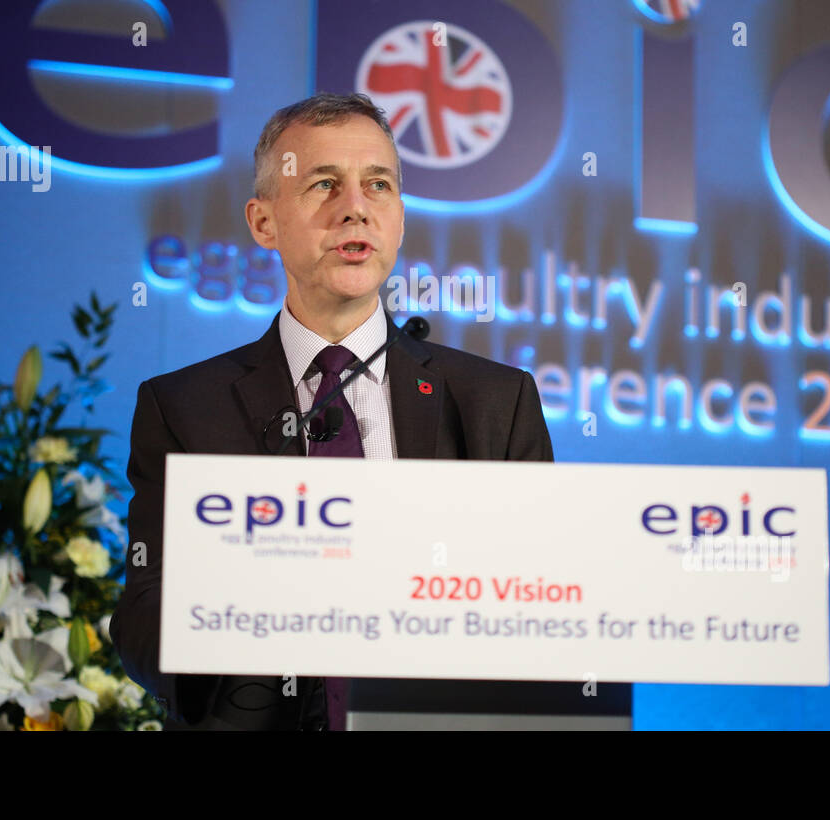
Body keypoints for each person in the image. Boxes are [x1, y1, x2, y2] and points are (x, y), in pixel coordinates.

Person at [110, 92, 554, 730]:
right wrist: (258, 597)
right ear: (263, 223)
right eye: (323, 185)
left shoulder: (495, 401)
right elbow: (143, 622)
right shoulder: (183, 407)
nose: (356, 209)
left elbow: (544, 614)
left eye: (379, 185)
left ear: (400, 217)